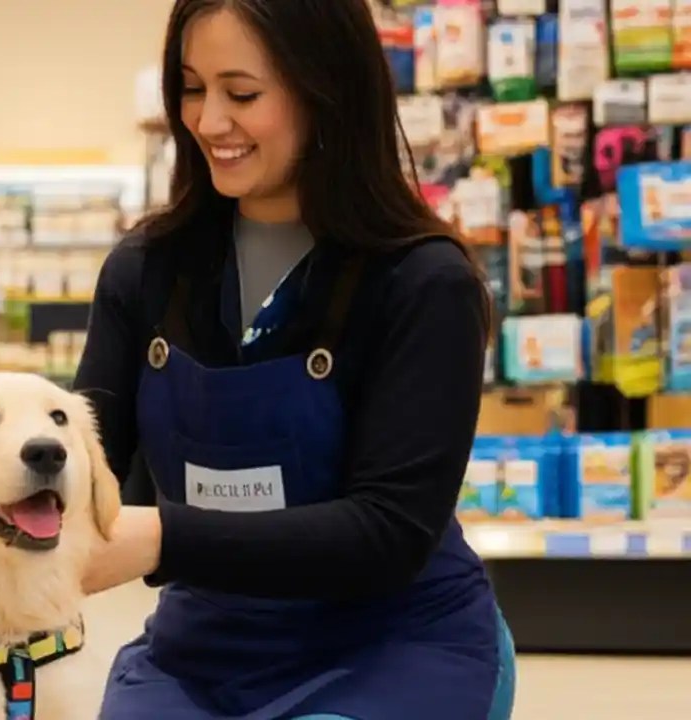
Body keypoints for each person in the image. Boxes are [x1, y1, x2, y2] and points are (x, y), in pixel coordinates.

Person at [73, 1, 516, 719]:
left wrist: (163, 535)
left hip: (392, 650)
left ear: (326, 89)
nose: (209, 121)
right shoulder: (145, 273)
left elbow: (389, 531)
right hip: (202, 657)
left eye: (242, 94)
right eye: (191, 87)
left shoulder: (422, 284)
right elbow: (83, 471)